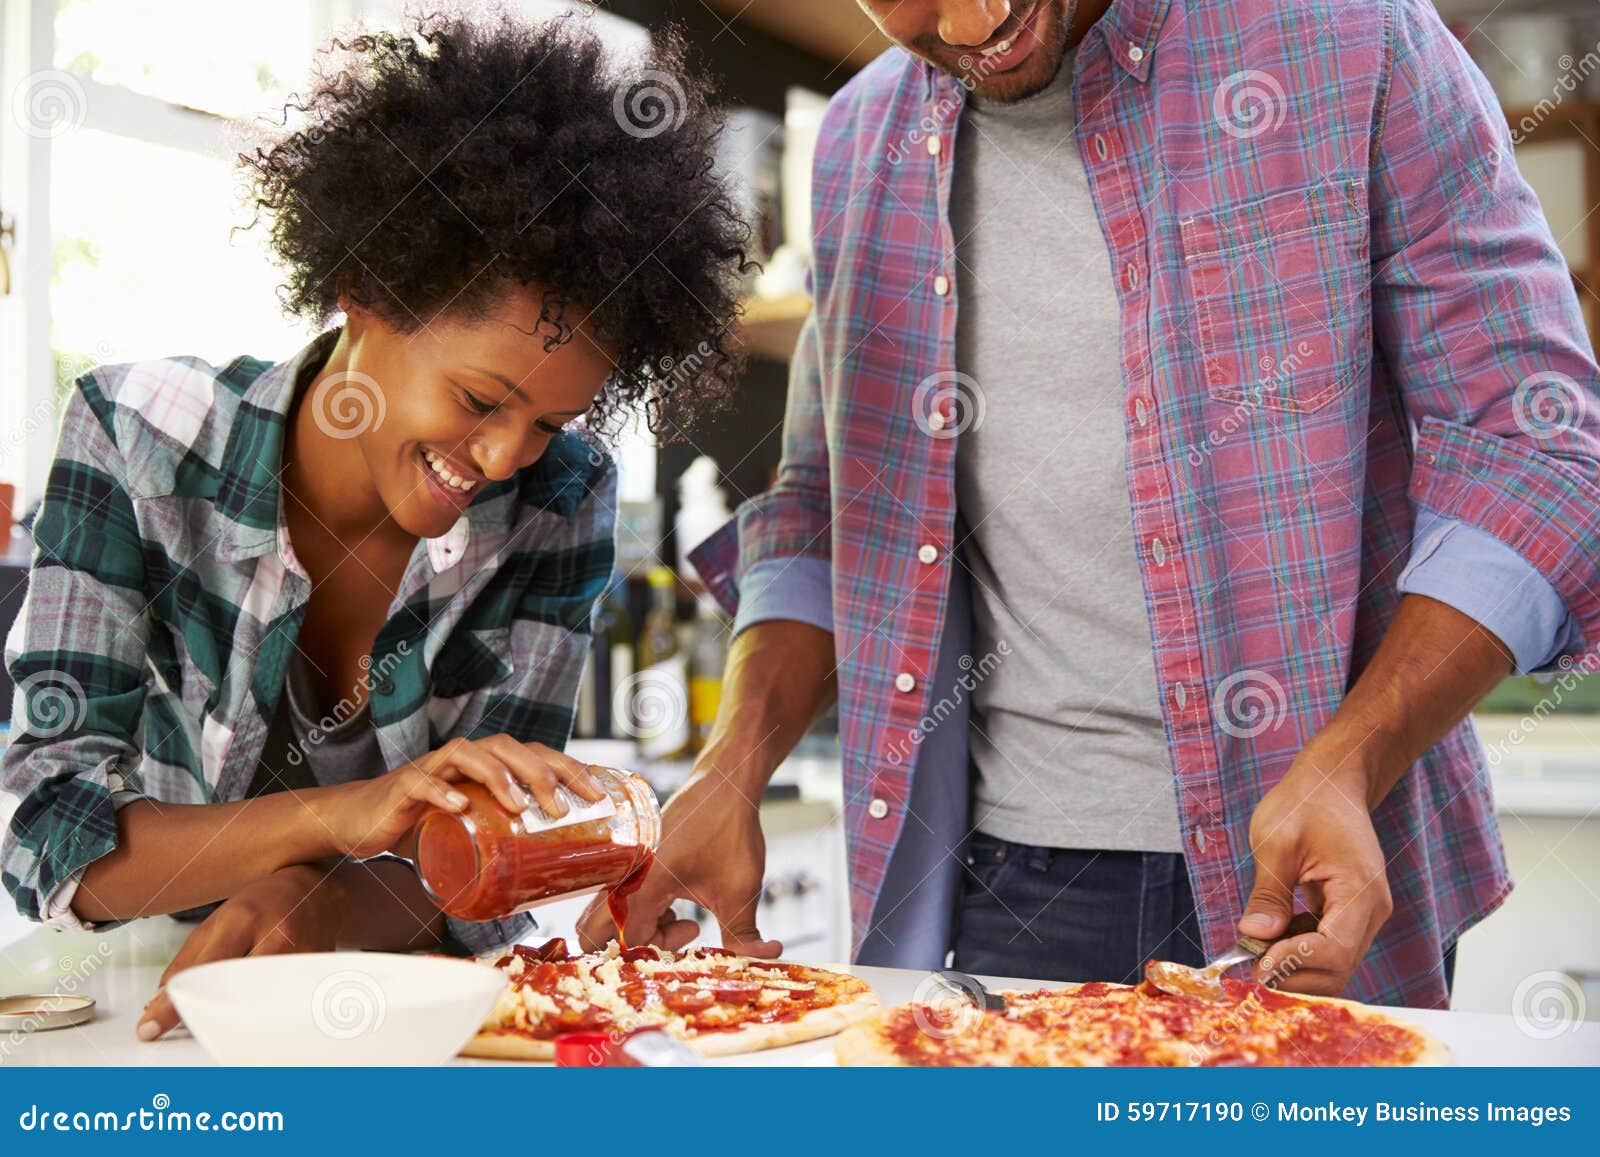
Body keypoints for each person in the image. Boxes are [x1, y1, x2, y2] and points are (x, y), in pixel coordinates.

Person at [579, 0, 1600, 1009]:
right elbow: (826, 506)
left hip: (1314, 869)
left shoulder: (1356, 39)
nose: (973, 21)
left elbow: (1537, 449)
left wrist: (1350, 761)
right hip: (994, 887)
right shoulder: (857, 140)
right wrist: (732, 765)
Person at [0, 10, 743, 1039]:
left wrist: (323, 899)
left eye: (547, 422)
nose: (500, 458)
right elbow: (48, 829)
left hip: (389, 985)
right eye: (481, 400)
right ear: (365, 290)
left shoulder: (559, 498)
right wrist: (329, 818)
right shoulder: (136, 438)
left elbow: (495, 848)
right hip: (130, 985)